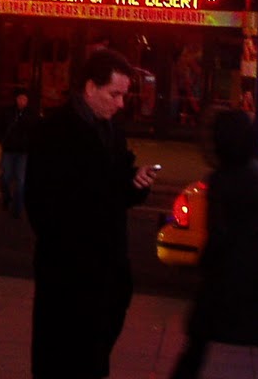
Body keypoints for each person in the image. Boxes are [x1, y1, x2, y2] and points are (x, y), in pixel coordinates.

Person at [25, 48, 159, 379]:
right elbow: (41, 203)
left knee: (95, 356)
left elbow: (120, 186)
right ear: (89, 89)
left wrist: (137, 183)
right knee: (62, 357)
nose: (120, 103)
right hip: (69, 270)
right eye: (114, 94)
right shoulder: (55, 131)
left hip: (108, 269)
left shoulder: (112, 130)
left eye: (123, 95)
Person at [169, 112, 258, 379]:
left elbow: (218, 233)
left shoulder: (221, 179)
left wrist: (204, 264)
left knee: (197, 344)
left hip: (225, 279)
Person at [0, 88, 38, 217]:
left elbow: (36, 130)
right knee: (6, 177)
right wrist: (3, 141)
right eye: (21, 98)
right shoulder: (8, 112)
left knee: (21, 180)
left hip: (23, 151)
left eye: (25, 99)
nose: (23, 101)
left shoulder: (31, 114)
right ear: (16, 99)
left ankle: (17, 208)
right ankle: (7, 198)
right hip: (9, 150)